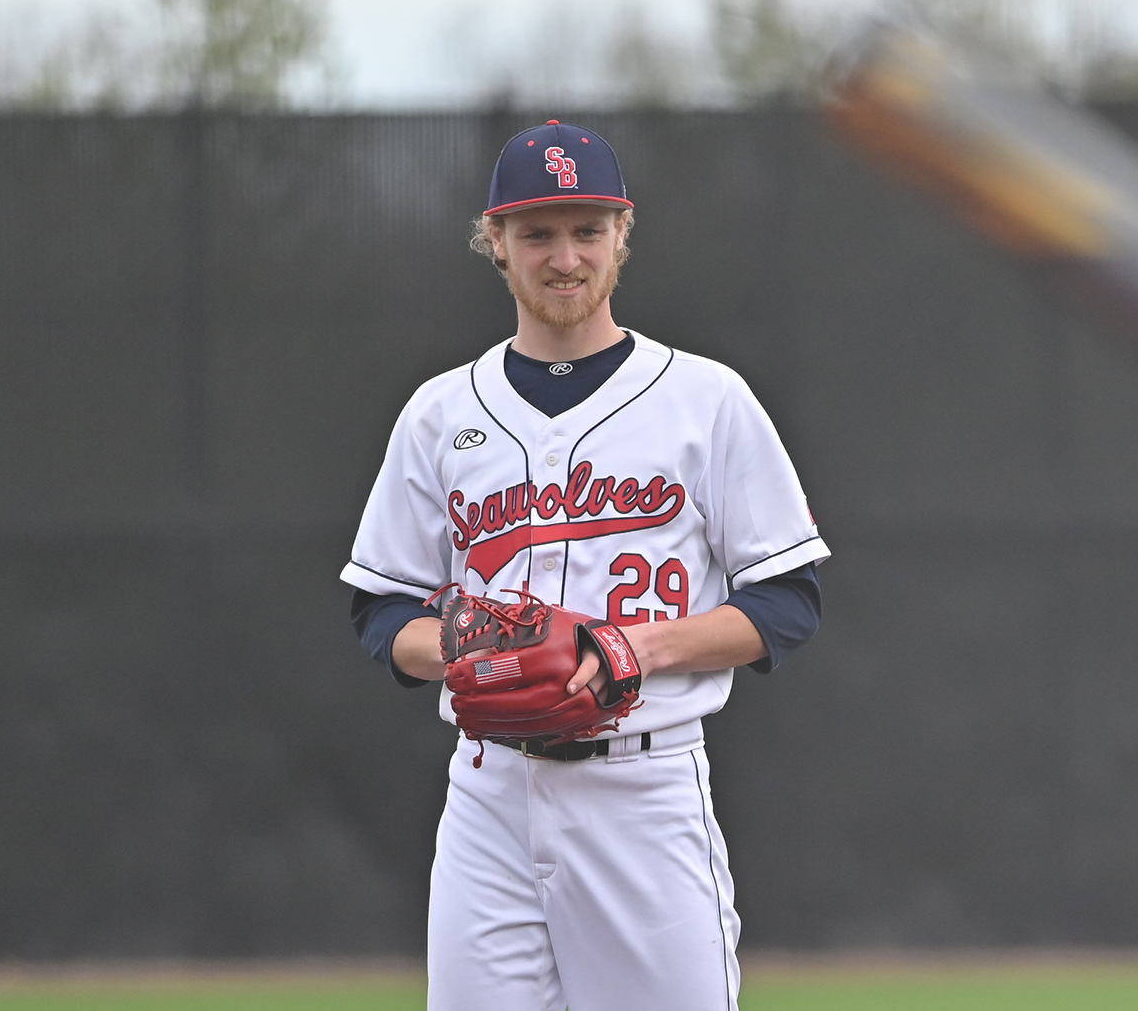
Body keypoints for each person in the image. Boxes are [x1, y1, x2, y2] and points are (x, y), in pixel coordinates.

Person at [341, 119, 827, 1011]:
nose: (564, 257)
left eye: (586, 230)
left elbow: (786, 602)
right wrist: (458, 643)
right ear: (496, 241)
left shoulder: (706, 400)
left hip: (642, 785)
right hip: (491, 793)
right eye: (537, 233)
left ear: (621, 233)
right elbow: (382, 613)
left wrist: (639, 648)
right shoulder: (440, 412)